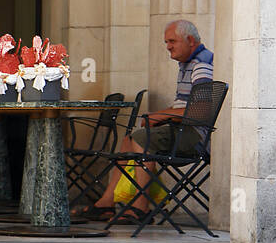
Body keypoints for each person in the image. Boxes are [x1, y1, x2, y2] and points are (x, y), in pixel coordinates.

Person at [75, 19, 214, 225]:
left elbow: (200, 112)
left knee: (141, 138)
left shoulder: (201, 64)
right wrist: (162, 117)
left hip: (194, 137)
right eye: (166, 42)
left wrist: (162, 115)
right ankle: (106, 203)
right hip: (182, 130)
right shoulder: (188, 63)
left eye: (172, 41)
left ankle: (141, 207)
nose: (168, 47)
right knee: (129, 139)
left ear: (190, 40)